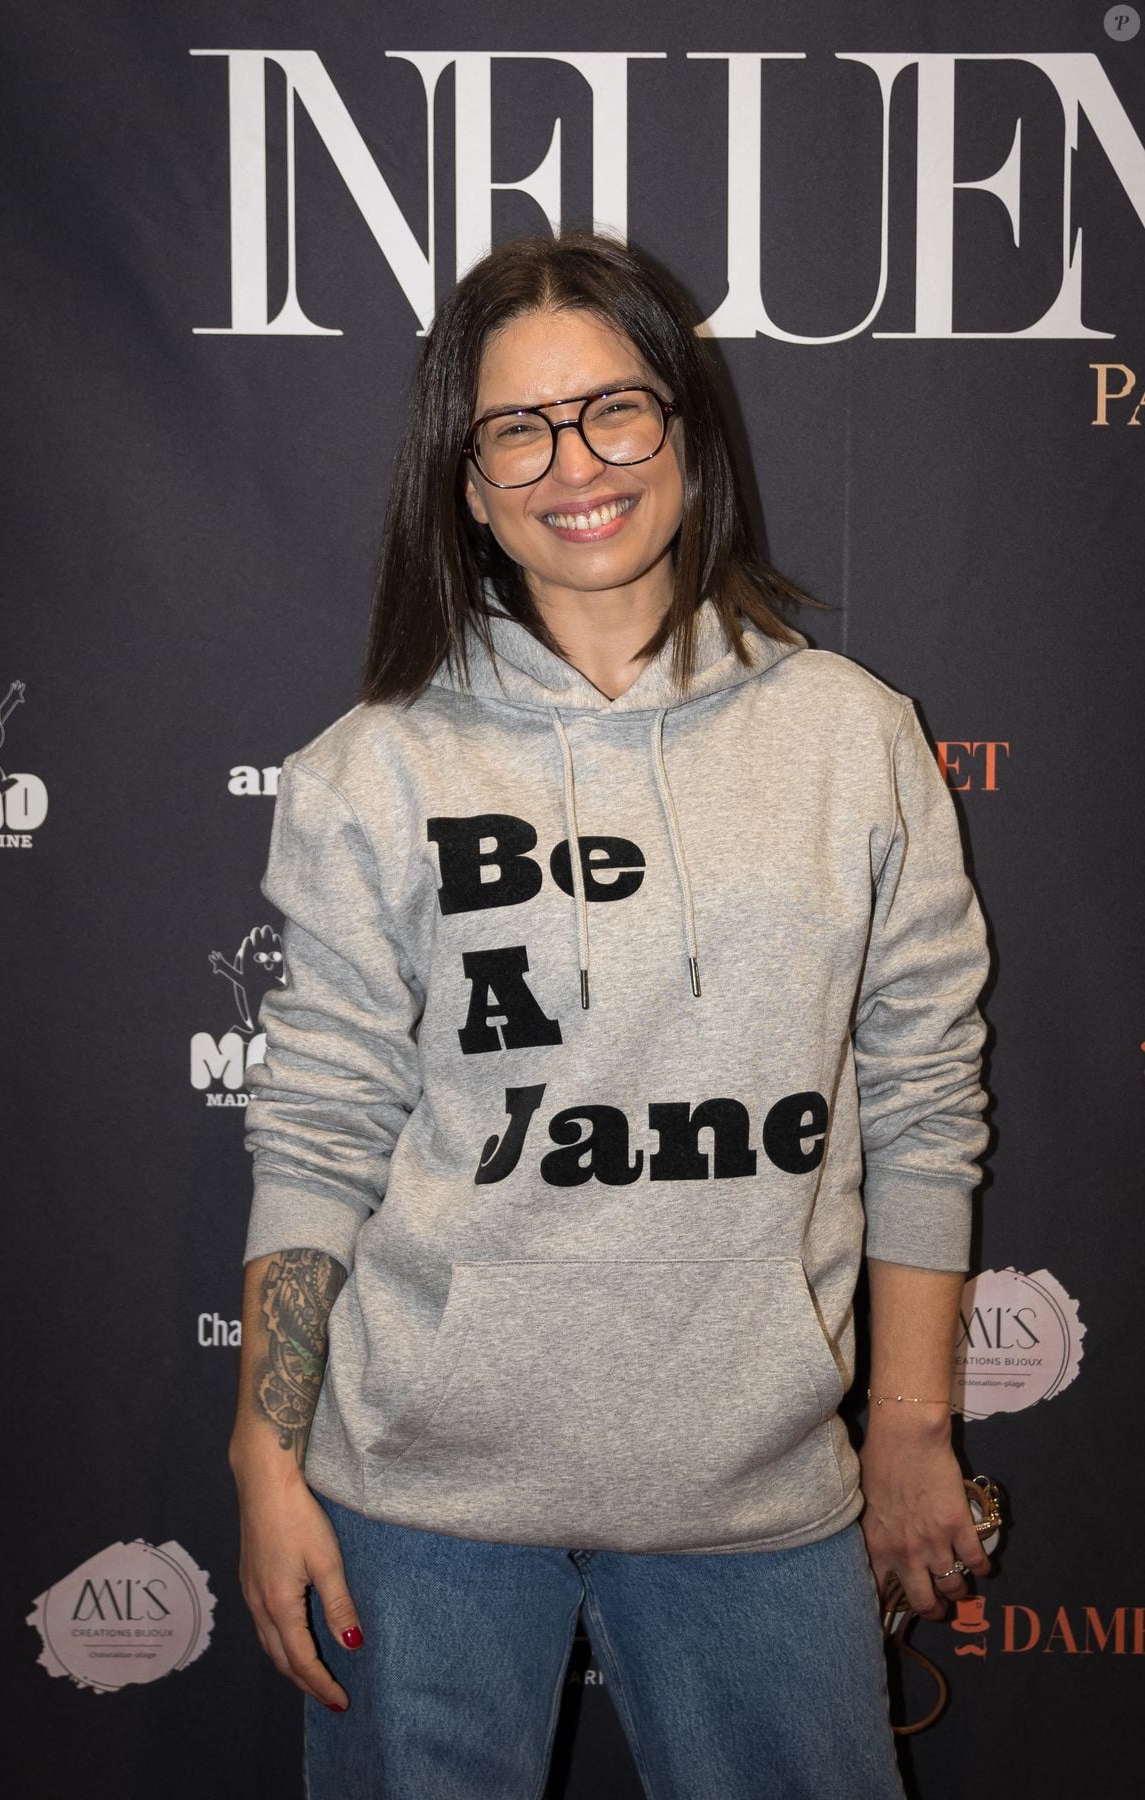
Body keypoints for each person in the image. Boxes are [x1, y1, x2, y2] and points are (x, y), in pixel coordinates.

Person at [229, 228, 992, 1800]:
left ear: (687, 432)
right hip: (420, 1507)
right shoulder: (371, 770)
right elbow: (317, 1126)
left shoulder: (855, 741)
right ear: (468, 480)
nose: (574, 461)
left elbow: (923, 1092)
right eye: (518, 426)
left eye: (614, 409)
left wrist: (910, 1426)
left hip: (756, 1497)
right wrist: (263, 1451)